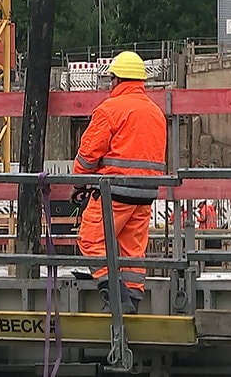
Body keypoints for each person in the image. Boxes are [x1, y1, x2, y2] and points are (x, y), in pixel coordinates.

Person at [74, 51, 167, 313]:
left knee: (91, 240)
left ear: (116, 80)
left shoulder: (109, 110)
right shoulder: (155, 112)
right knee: (132, 249)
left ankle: (112, 291)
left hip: (115, 191)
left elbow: (88, 155)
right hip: (145, 193)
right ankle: (133, 301)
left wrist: (79, 181)